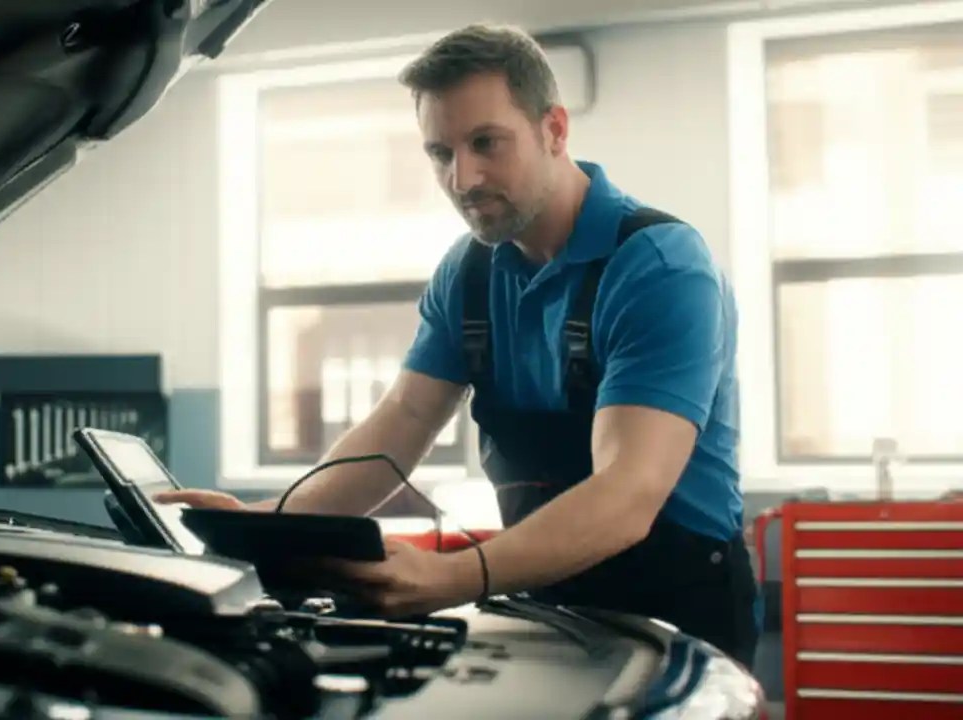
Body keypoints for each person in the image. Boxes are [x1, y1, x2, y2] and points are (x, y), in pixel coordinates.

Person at [157, 24, 759, 666]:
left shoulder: (660, 268)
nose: (463, 178)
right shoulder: (470, 273)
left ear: (554, 129)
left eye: (486, 144)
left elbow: (627, 494)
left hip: (680, 617)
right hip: (549, 598)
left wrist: (453, 576)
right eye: (440, 152)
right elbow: (402, 422)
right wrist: (270, 526)